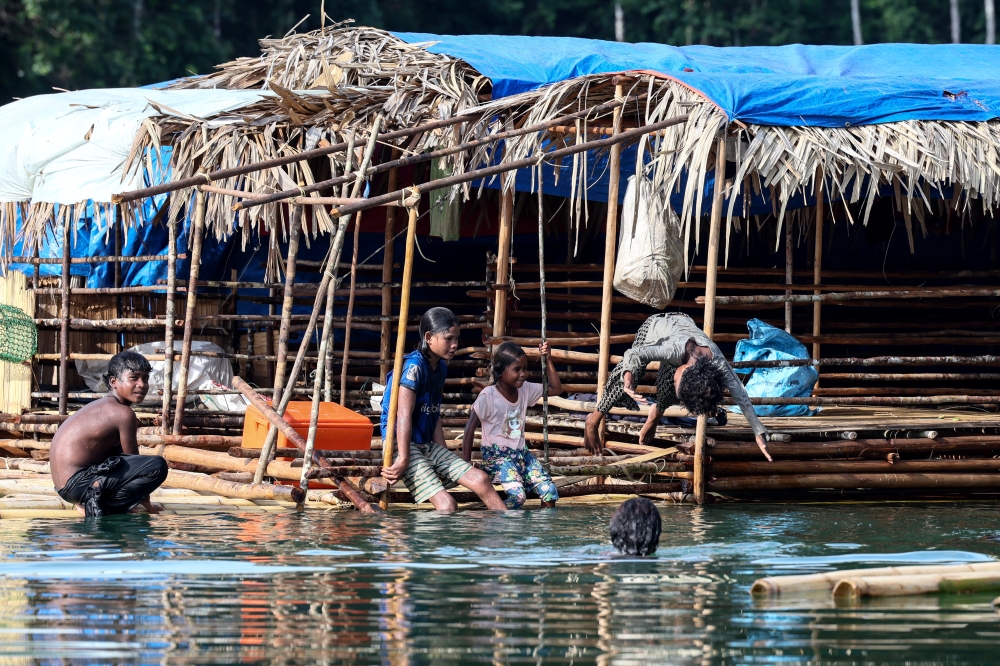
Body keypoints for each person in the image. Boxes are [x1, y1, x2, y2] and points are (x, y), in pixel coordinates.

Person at [584, 312, 772, 460]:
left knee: (667, 386)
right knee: (628, 372)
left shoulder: (716, 361)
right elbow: (633, 354)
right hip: (656, 326)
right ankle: (593, 420)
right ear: (688, 370)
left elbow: (740, 393)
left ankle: (655, 414)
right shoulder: (671, 351)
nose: (675, 379)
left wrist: (758, 430)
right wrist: (628, 378)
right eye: (678, 381)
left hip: (684, 325)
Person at [380, 307, 507, 511]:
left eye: (456, 339)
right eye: (448, 339)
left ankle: (508, 527)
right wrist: (403, 458)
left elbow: (434, 412)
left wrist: (443, 455)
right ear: (429, 337)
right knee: (447, 505)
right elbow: (402, 415)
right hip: (400, 444)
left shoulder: (440, 367)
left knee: (481, 479)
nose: (454, 344)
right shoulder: (414, 367)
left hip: (426, 444)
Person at [50, 351, 168, 517]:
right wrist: (144, 500)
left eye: (145, 378)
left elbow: (122, 458)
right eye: (134, 378)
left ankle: (92, 500)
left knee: (116, 454)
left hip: (65, 488)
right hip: (79, 484)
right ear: (113, 381)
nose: (142, 384)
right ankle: (101, 504)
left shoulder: (103, 406)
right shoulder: (123, 413)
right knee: (156, 465)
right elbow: (135, 462)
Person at [462, 341, 562, 509]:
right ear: (501, 371)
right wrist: (466, 464)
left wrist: (548, 359)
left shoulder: (525, 389)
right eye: (517, 369)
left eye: (525, 368)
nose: (523, 374)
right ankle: (493, 519)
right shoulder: (488, 396)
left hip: (521, 455)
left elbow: (556, 389)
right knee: (518, 497)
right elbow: (469, 428)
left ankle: (541, 525)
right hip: (497, 458)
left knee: (550, 491)